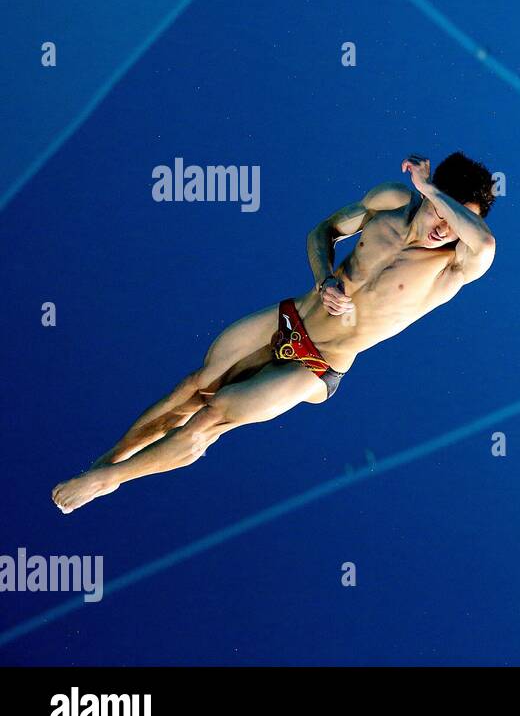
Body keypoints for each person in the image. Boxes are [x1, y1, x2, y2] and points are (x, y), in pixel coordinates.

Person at [52, 152, 497, 513]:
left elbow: (486, 243)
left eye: (459, 220)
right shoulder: (389, 201)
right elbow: (321, 231)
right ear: (422, 198)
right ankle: (102, 466)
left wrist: (434, 191)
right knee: (191, 390)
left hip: (318, 364)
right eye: (444, 213)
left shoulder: (454, 266)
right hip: (290, 317)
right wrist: (324, 277)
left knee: (214, 417)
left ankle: (112, 478)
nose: (446, 228)